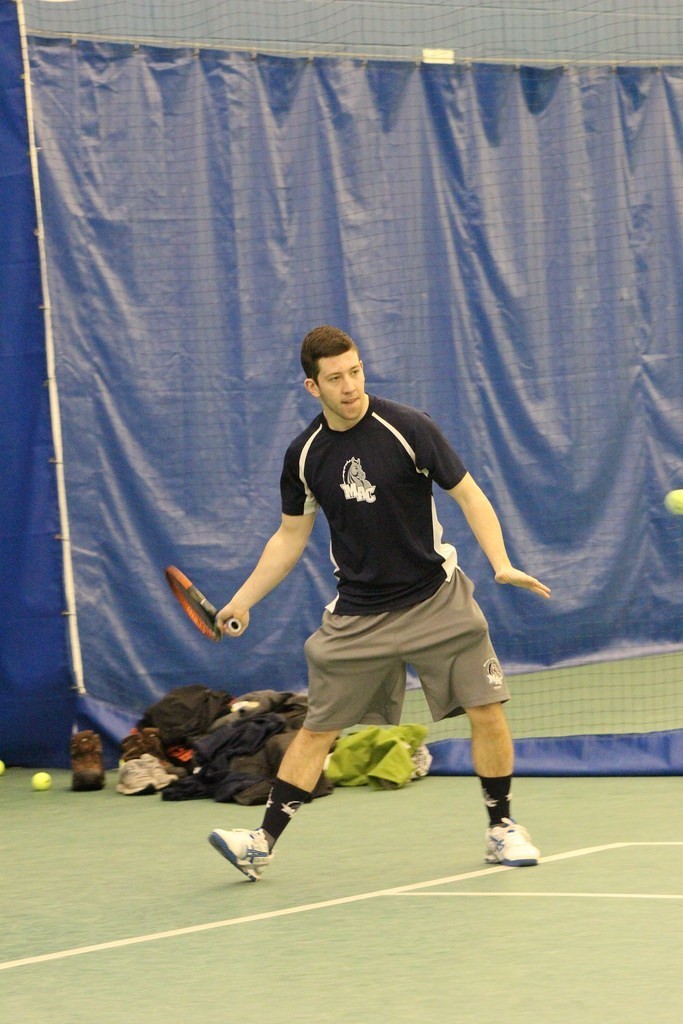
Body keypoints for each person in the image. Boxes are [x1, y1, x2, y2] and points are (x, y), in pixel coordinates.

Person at [209, 325, 551, 881]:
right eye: (336, 378)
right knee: (317, 727)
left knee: (487, 708)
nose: (350, 386)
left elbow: (469, 494)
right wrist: (242, 600)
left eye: (356, 371)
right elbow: (288, 538)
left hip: (437, 599)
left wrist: (500, 560)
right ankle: (261, 842)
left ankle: (502, 827)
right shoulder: (305, 456)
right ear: (312, 387)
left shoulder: (409, 427)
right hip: (359, 613)